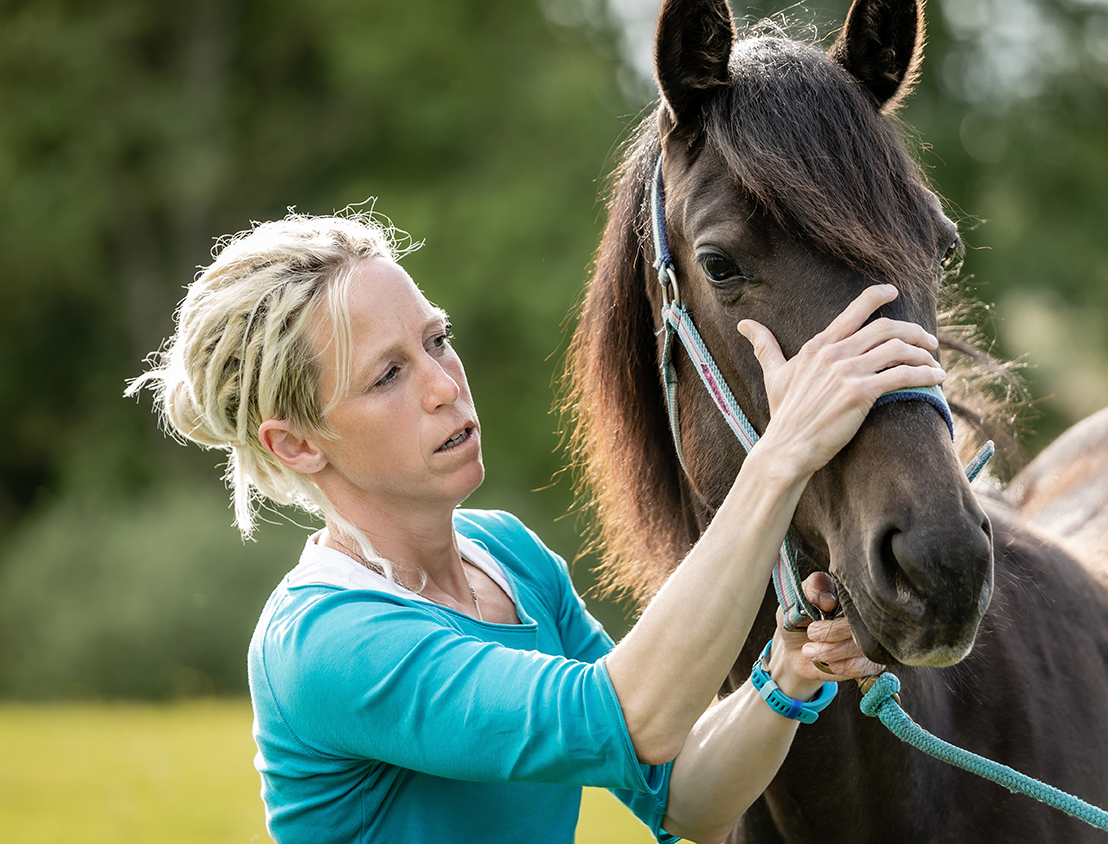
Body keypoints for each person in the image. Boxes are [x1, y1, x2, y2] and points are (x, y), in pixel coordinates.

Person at [127, 210, 946, 843]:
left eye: (436, 341)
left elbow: (681, 794)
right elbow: (629, 715)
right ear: (295, 443)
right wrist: (780, 456)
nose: (445, 386)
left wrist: (787, 671)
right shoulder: (325, 643)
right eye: (387, 375)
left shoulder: (508, 556)